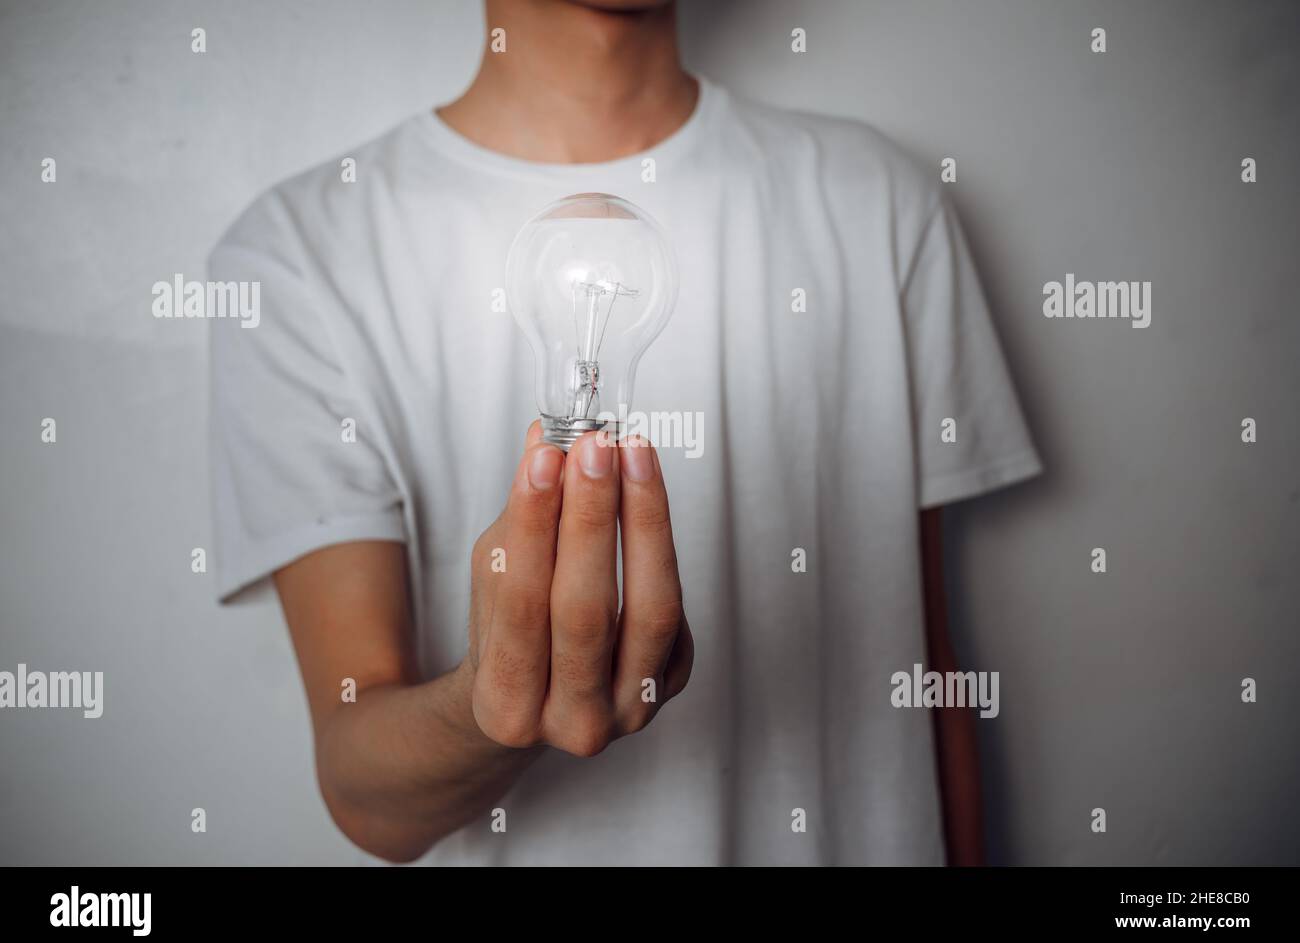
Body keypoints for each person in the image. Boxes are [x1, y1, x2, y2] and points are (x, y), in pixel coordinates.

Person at [208, 0, 1042, 865]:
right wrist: (489, 702)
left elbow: (924, 661)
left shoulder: (878, 199)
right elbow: (366, 797)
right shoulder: (299, 255)